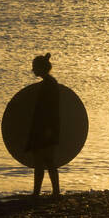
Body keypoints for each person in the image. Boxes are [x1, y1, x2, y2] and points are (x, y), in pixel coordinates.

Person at [27, 52, 61, 199]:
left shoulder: (49, 85)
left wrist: (48, 129)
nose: (32, 70)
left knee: (44, 160)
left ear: (41, 68)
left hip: (45, 128)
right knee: (44, 160)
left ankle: (45, 192)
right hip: (45, 127)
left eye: (34, 67)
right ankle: (49, 191)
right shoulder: (49, 83)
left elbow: (51, 109)